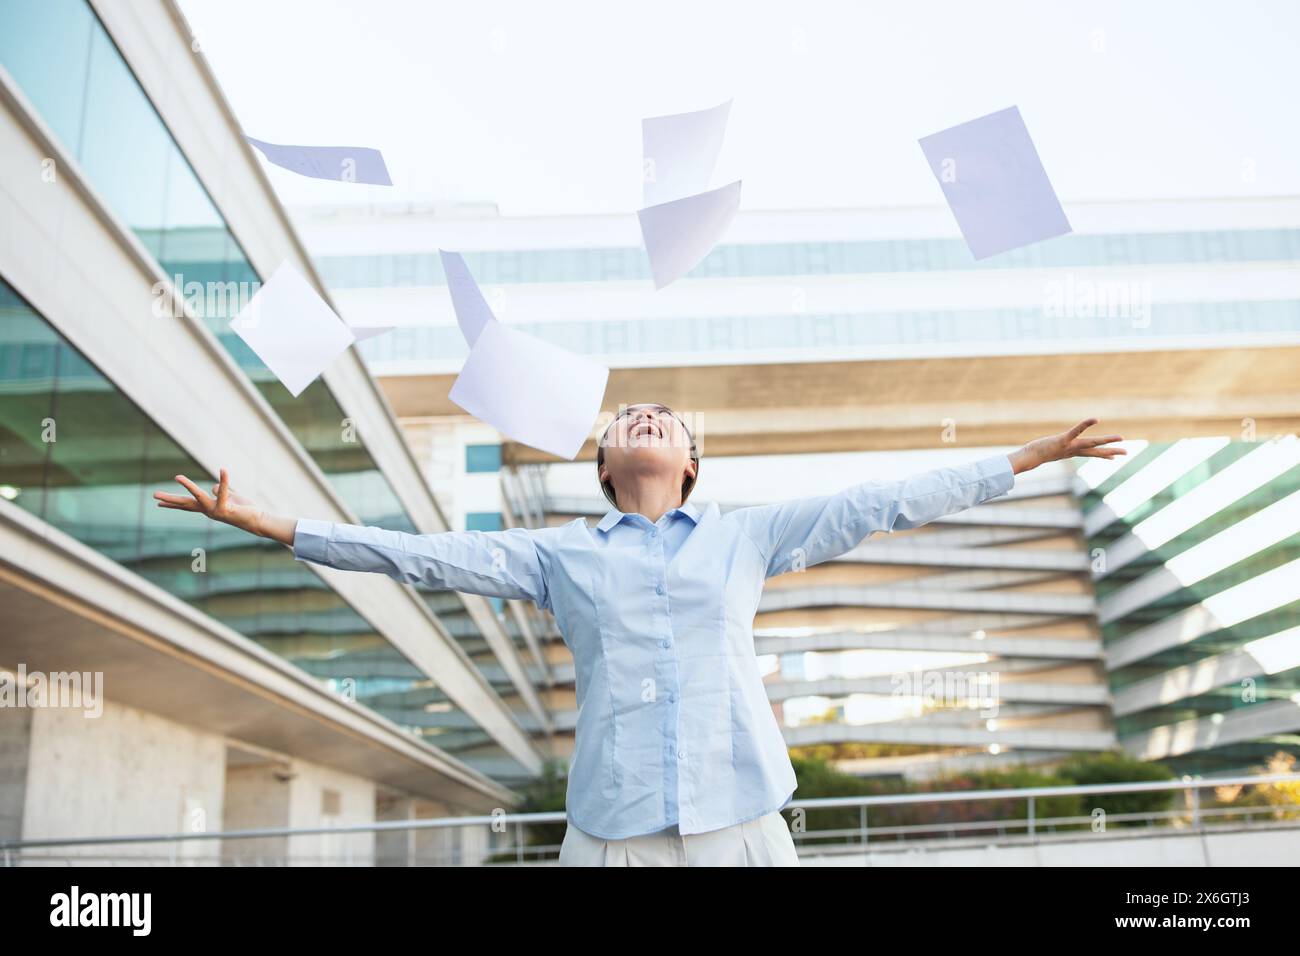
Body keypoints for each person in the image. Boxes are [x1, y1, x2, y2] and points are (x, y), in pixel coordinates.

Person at [155, 406, 1124, 866]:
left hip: (742, 812)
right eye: (628, 418)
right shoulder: (559, 554)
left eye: (665, 419)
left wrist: (1026, 457)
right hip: (613, 825)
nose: (646, 418)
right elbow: (423, 555)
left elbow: (880, 501)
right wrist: (274, 525)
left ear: (692, 461)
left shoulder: (747, 534)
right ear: (609, 465)